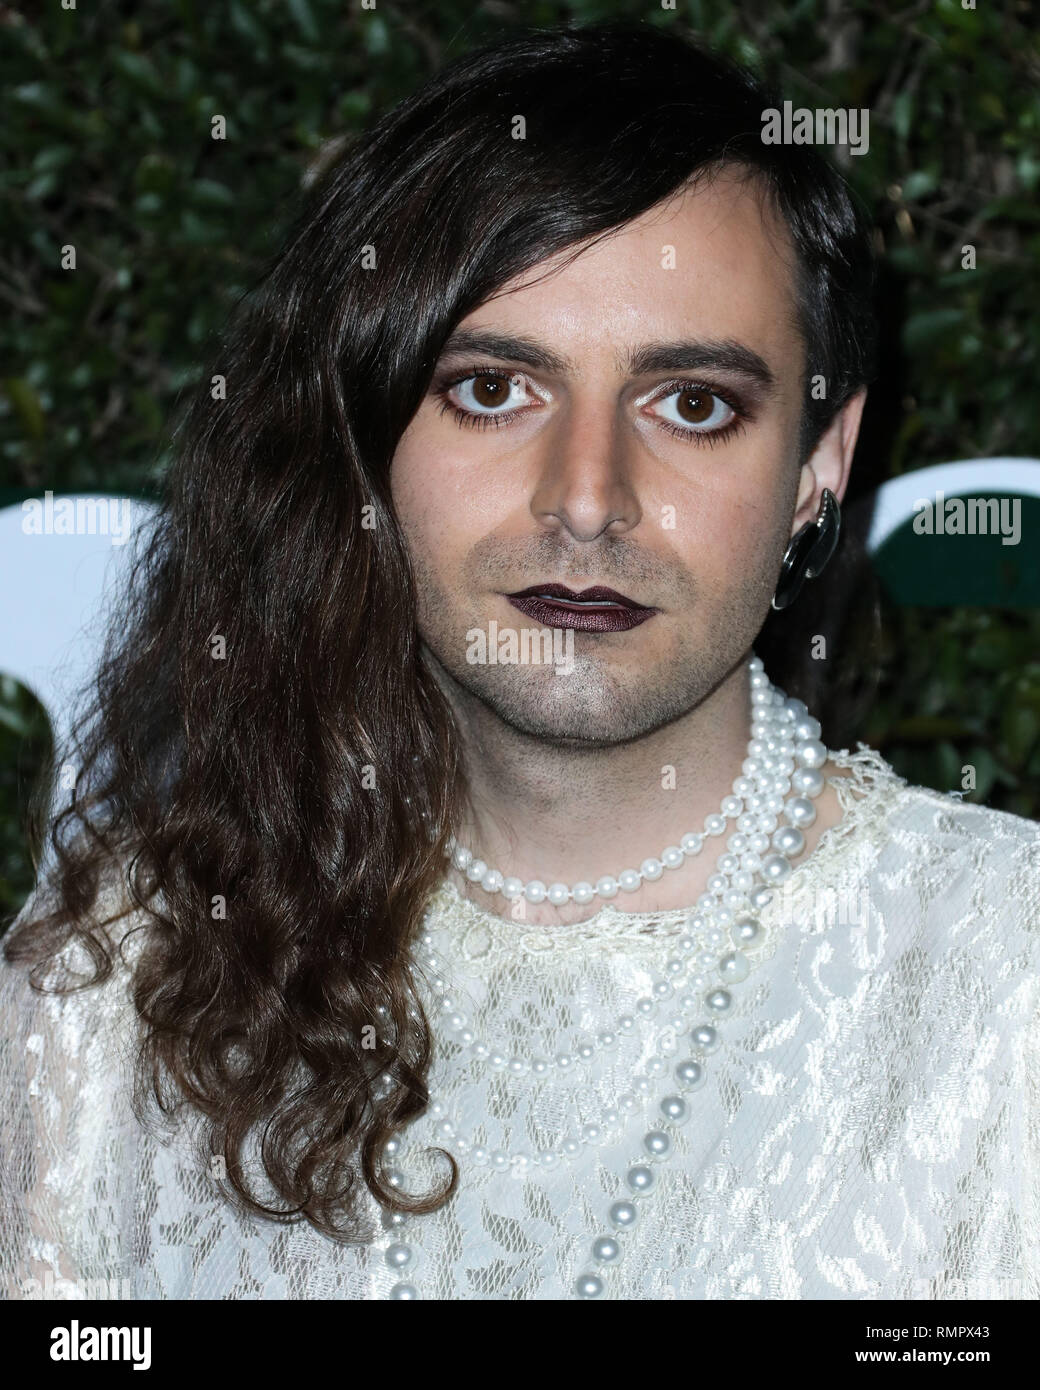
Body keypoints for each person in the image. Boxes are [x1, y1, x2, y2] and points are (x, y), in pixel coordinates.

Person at [1, 20, 1037, 1303]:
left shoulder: (1002, 978)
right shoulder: (117, 978)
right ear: (366, 434)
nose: (587, 499)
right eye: (493, 389)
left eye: (693, 403)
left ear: (820, 463)